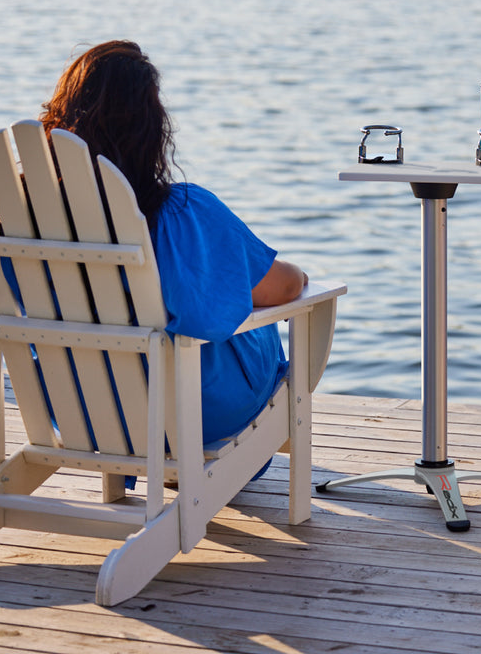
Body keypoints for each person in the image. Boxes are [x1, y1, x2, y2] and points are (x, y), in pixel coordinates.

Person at [35, 40, 308, 451]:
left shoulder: (27, 223)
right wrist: (300, 276)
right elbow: (282, 288)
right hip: (192, 413)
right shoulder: (181, 213)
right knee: (247, 305)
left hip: (79, 409)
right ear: (151, 126)